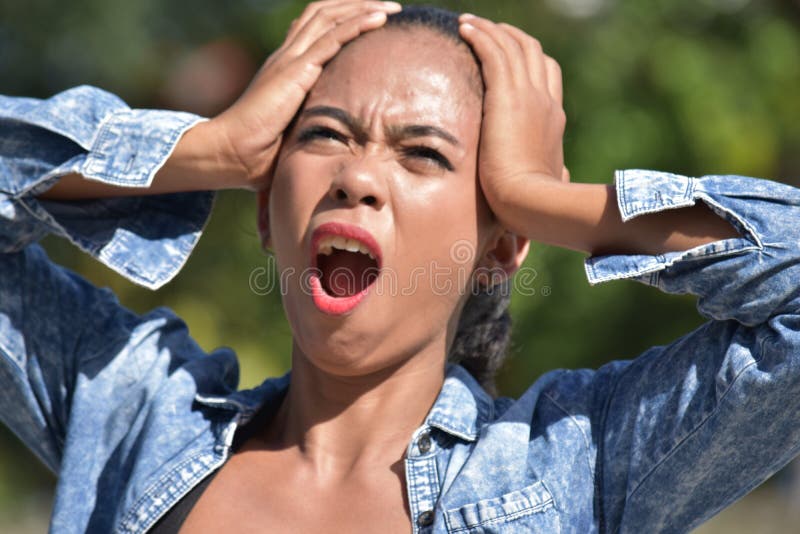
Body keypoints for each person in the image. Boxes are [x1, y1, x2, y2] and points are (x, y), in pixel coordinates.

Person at [1, 2, 799, 533]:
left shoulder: (577, 463)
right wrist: (210, 147)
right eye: (323, 136)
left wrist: (543, 197)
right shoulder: (131, 409)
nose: (357, 177)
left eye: (422, 153)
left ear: (498, 245)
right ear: (264, 215)